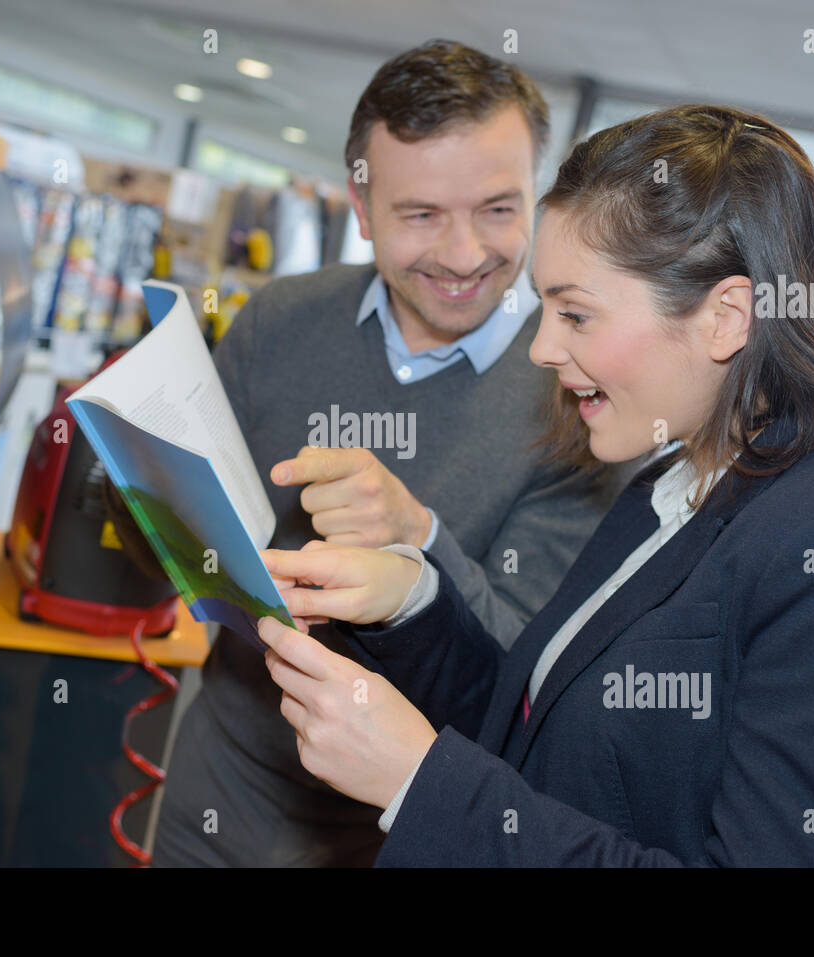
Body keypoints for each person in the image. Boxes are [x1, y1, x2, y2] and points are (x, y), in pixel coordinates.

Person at [258, 104, 814, 866]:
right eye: (544, 310)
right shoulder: (671, 484)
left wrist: (419, 782)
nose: (541, 347)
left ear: (726, 317)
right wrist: (410, 602)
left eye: (576, 313)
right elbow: (537, 734)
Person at [148, 40, 631, 867]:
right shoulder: (277, 320)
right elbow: (188, 540)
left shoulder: (583, 396)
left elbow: (527, 680)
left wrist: (419, 533)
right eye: (420, 216)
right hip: (217, 789)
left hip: (402, 836)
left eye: (498, 209)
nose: (462, 253)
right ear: (362, 209)